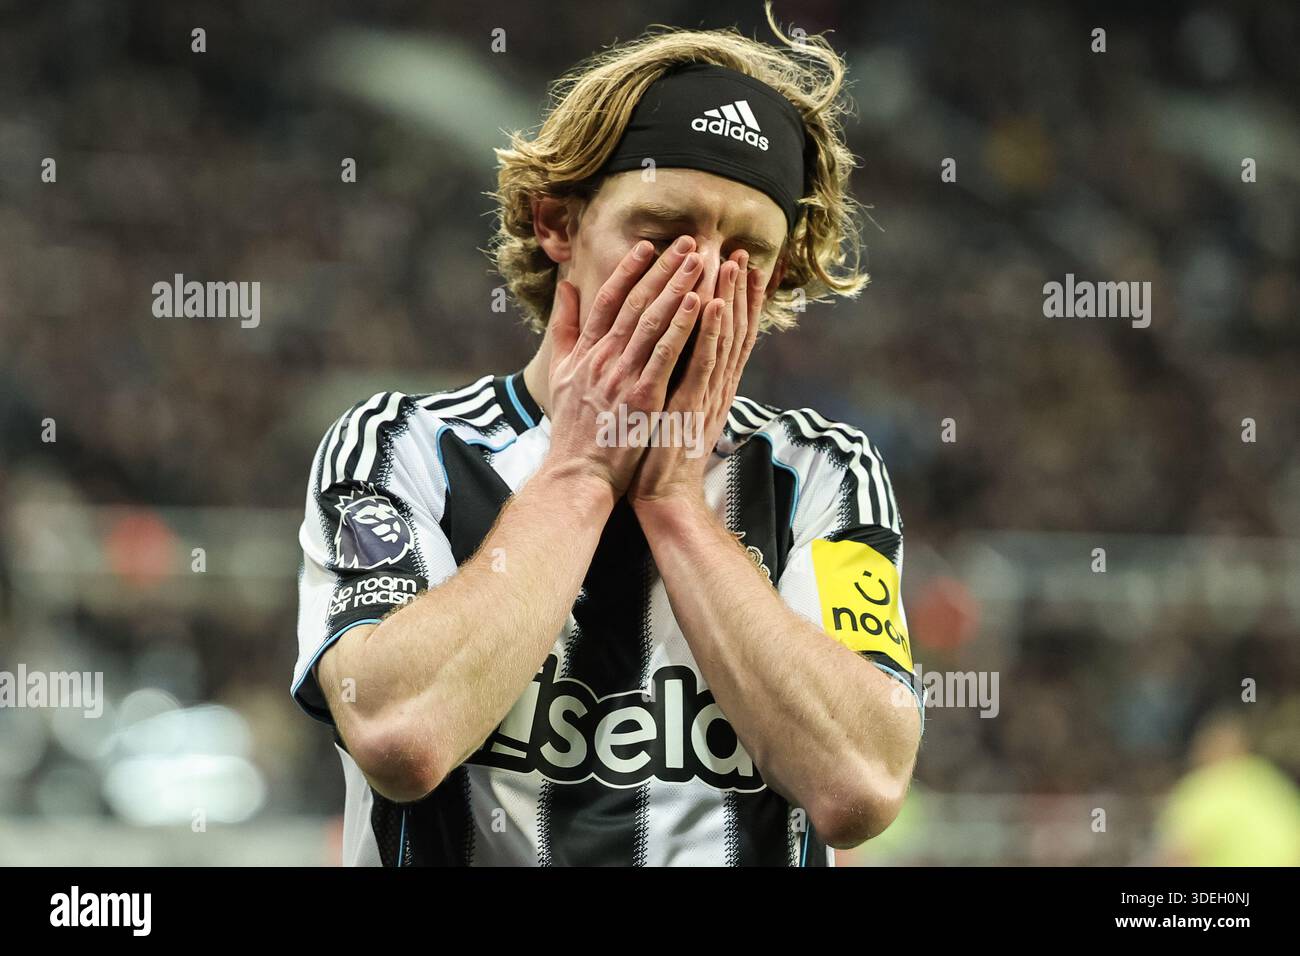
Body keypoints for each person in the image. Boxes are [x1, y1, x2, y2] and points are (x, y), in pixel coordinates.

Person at [291, 7, 923, 866]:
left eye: (745, 253)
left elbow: (860, 785)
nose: (699, 280)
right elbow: (401, 734)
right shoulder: (402, 448)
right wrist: (584, 469)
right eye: (663, 235)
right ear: (558, 226)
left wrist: (674, 505)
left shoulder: (818, 472)